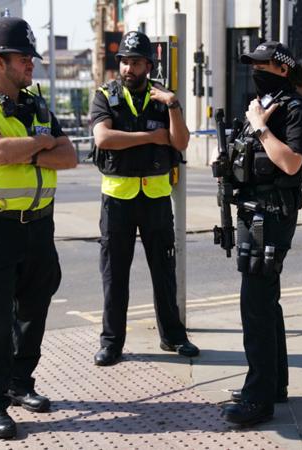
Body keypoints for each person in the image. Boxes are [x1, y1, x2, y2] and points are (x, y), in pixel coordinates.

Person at [0, 16, 78, 439]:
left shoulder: (37, 106)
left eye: (32, 57)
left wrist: (29, 149)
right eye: (25, 57)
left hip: (40, 226)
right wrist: (42, 144)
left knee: (34, 310)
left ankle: (20, 384)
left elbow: (71, 157)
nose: (32, 64)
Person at [220, 41, 302, 426]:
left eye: (259, 64)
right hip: (252, 210)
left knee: (255, 306)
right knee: (265, 301)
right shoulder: (261, 103)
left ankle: (258, 398)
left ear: (280, 68)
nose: (253, 71)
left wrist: (259, 128)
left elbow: (291, 163)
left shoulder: (295, 109)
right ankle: (272, 384)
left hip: (272, 214)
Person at [89, 30, 199, 367]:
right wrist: (151, 136)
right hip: (118, 200)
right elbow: (104, 138)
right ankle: (111, 344)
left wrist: (174, 106)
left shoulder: (164, 97)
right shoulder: (105, 96)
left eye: (135, 62)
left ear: (148, 65)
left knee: (164, 272)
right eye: (124, 61)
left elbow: (180, 142)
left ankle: (173, 336)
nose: (128, 68)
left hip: (155, 198)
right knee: (115, 276)